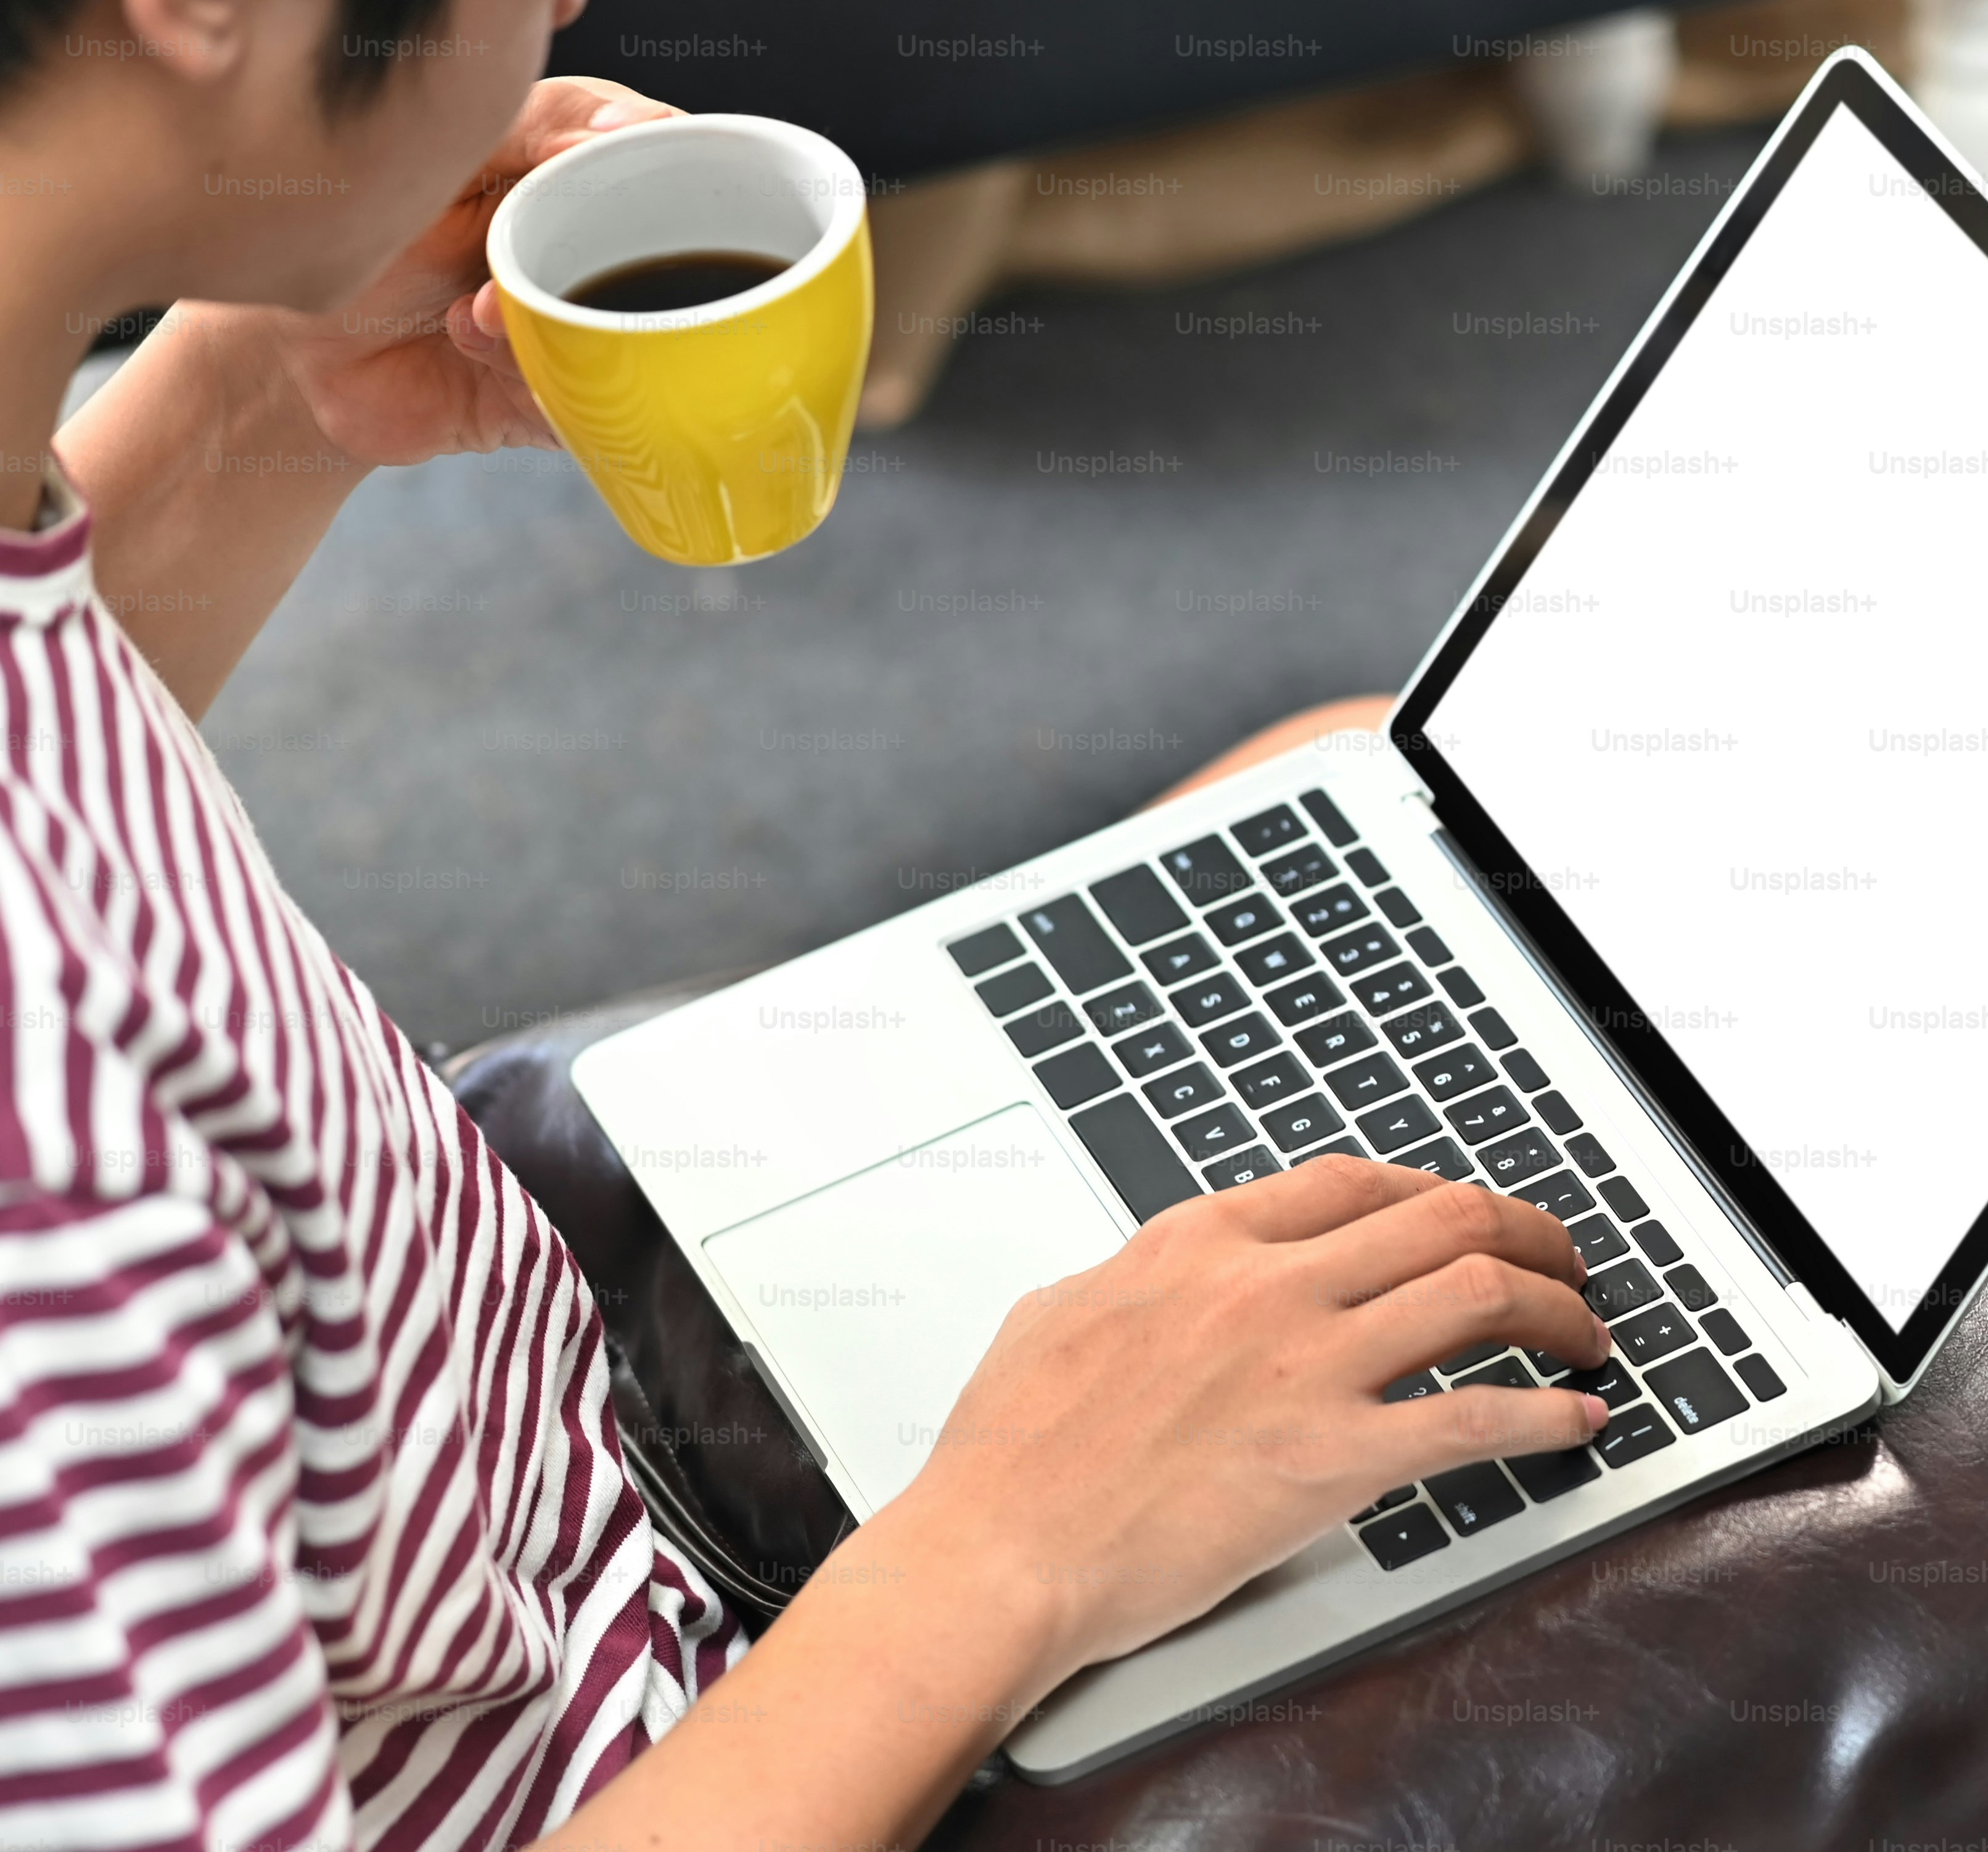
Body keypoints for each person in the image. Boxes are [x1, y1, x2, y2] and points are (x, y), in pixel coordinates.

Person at [0, 0, 1614, 1846]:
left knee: (1350, 793)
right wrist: (1011, 1543)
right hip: (652, 1746)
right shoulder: (45, 1172)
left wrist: (256, 398)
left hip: (496, 1431)